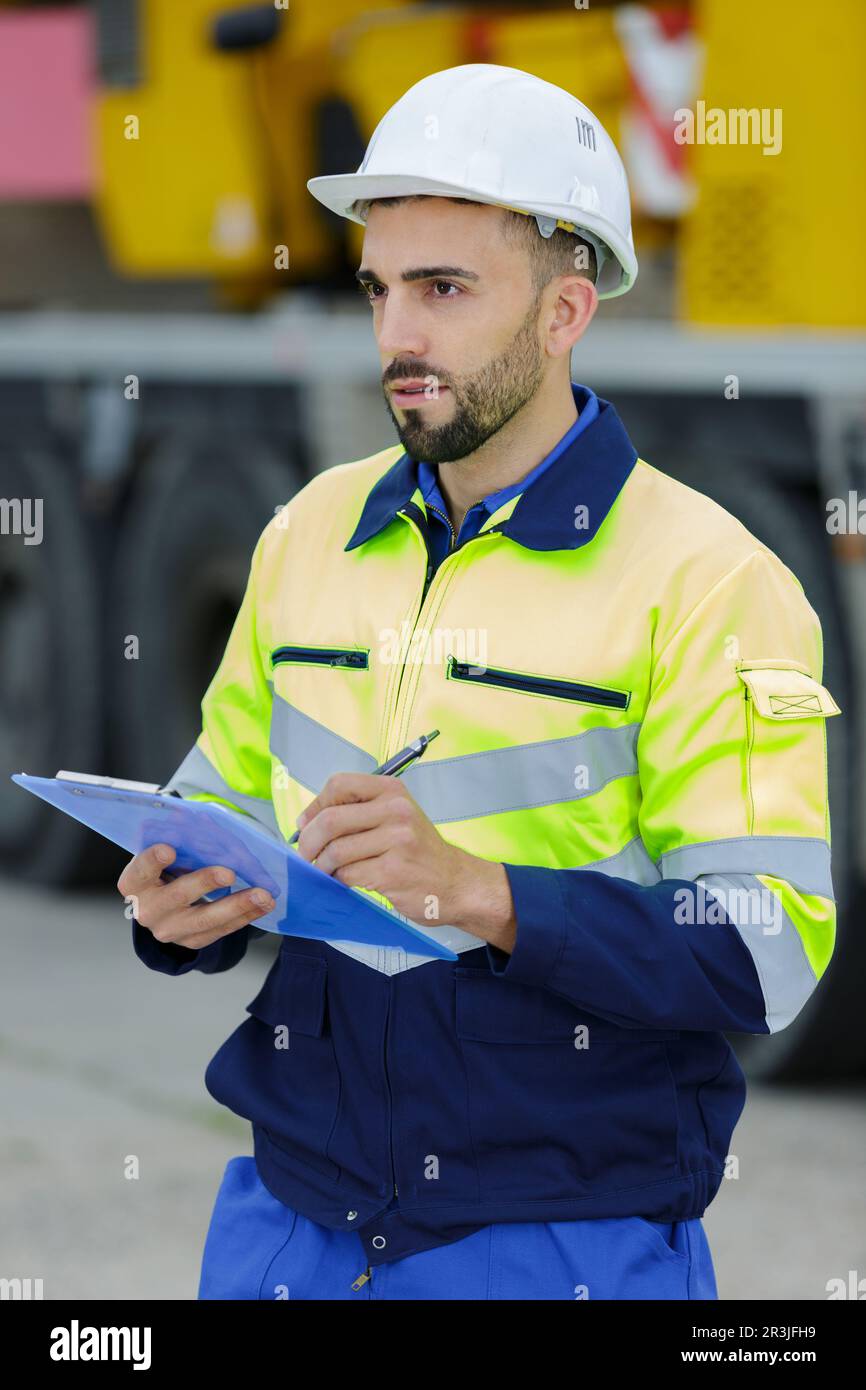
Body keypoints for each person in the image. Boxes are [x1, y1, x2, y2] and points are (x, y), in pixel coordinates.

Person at [118, 65, 840, 1300]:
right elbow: (219, 801)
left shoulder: (709, 581)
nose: (398, 333)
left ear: (565, 312)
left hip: (561, 1240)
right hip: (288, 1223)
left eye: (444, 289)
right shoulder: (306, 534)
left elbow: (763, 949)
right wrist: (176, 905)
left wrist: (484, 894)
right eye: (381, 287)